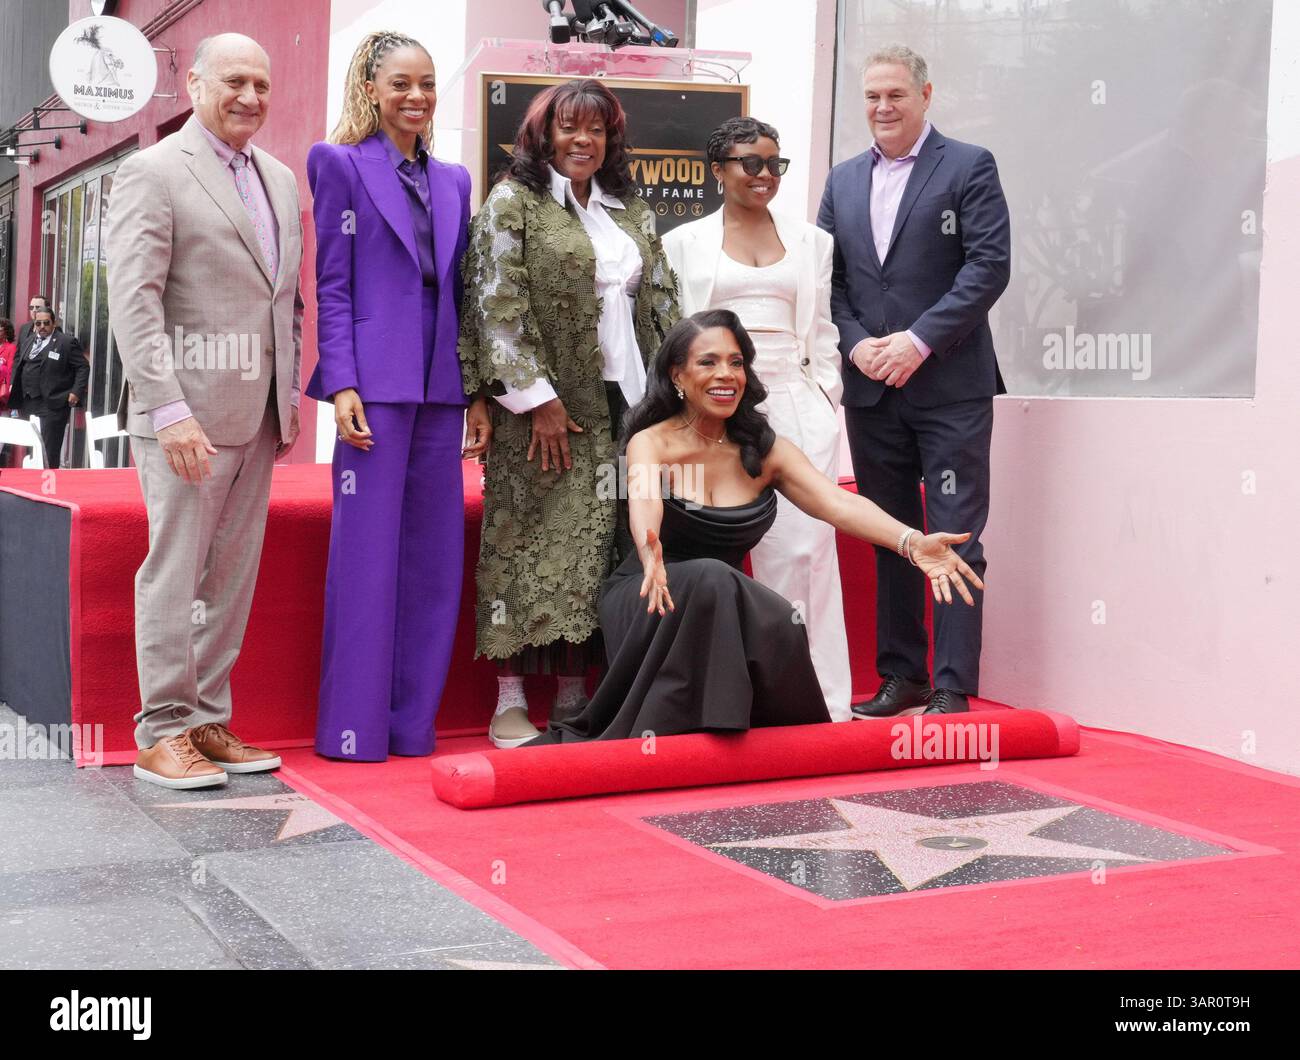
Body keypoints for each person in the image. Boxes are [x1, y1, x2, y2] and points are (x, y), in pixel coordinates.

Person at [526, 310, 983, 746]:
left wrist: (912, 542)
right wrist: (651, 555)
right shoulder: (654, 441)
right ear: (676, 376)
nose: (726, 374)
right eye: (708, 362)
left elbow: (837, 502)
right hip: (651, 595)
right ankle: (701, 733)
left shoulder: (762, 450)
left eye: (736, 362)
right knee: (711, 576)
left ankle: (781, 745)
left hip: (720, 599)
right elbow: (645, 506)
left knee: (782, 617)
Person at [106, 33, 305, 789]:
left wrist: (284, 401)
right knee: (176, 571)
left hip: (256, 417)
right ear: (194, 84)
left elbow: (285, 298)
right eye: (234, 82)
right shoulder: (151, 171)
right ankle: (161, 730)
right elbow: (135, 300)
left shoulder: (280, 178)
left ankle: (206, 720)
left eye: (261, 82)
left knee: (229, 576)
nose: (250, 97)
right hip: (185, 417)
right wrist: (166, 409)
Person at [459, 78, 680, 748]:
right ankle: (509, 701)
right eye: (570, 127)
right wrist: (538, 401)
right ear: (543, 133)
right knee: (528, 545)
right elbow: (495, 306)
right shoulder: (512, 202)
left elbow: (664, 302)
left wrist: (682, 396)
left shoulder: (629, 209)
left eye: (598, 129)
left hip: (628, 408)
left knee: (607, 546)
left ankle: (581, 695)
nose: (583, 141)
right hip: (544, 409)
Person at [307, 31, 487, 761]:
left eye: (429, 84)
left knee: (434, 561)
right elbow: (332, 282)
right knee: (368, 556)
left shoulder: (455, 181)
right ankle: (353, 732)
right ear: (372, 90)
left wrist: (475, 392)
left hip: (441, 388)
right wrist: (342, 379)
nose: (417, 97)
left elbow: (467, 293)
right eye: (402, 84)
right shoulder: (339, 165)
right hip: (374, 388)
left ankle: (413, 726)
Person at [817, 44, 1010, 719]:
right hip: (871, 391)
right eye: (872, 95)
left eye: (895, 94)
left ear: (926, 95)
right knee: (891, 533)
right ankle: (902, 676)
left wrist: (919, 341)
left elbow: (987, 268)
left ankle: (953, 683)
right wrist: (855, 343)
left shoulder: (968, 166)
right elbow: (827, 281)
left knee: (954, 535)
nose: (881, 107)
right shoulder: (841, 180)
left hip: (951, 389)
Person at [662, 116, 852, 722]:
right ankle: (731, 698)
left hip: (796, 403)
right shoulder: (682, 243)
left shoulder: (812, 241)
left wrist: (826, 397)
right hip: (717, 407)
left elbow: (822, 332)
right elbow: (673, 336)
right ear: (718, 171)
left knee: (805, 554)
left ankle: (820, 700)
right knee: (716, 554)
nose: (765, 174)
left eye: (775, 163)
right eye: (750, 163)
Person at [8, 308, 88, 467]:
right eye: (38, 323)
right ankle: (34, 482)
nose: (42, 326)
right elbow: (18, 363)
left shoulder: (66, 342)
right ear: (34, 324)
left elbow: (83, 367)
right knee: (33, 445)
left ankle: (49, 485)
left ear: (54, 323)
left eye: (46, 323)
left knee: (49, 449)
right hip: (29, 401)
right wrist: (12, 384)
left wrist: (76, 392)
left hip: (54, 402)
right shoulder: (29, 340)